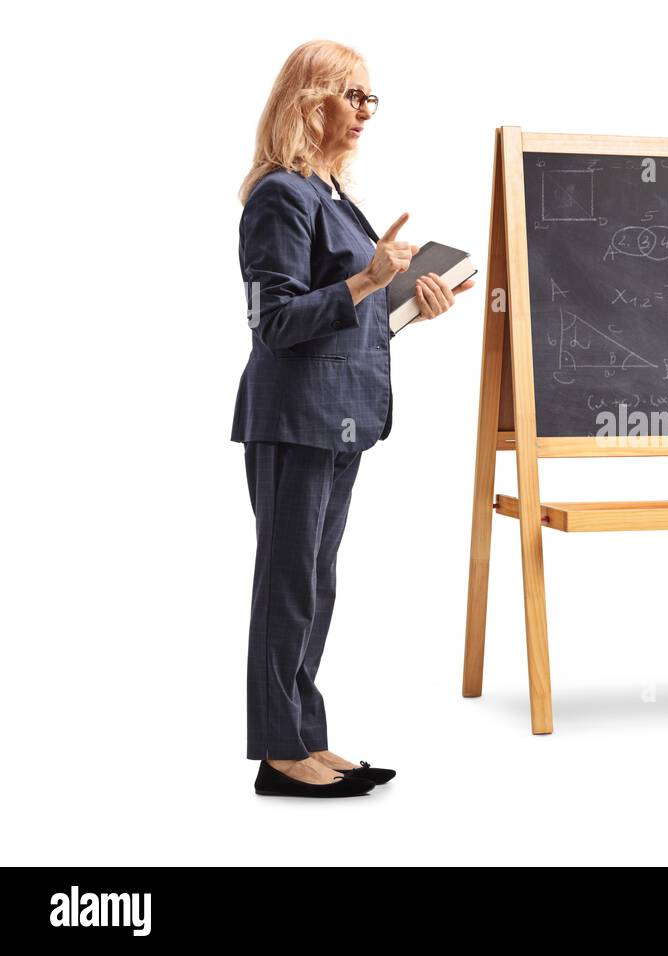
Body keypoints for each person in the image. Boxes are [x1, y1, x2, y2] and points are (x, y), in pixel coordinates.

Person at [232, 40, 473, 797]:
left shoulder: (334, 195)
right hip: (296, 416)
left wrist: (404, 306)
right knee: (288, 582)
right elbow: (271, 320)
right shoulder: (282, 194)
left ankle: (306, 736)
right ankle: (280, 754)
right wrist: (369, 277)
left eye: (373, 97)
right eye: (352, 94)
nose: (366, 109)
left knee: (316, 581)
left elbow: (345, 312)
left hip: (341, 414)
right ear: (311, 102)